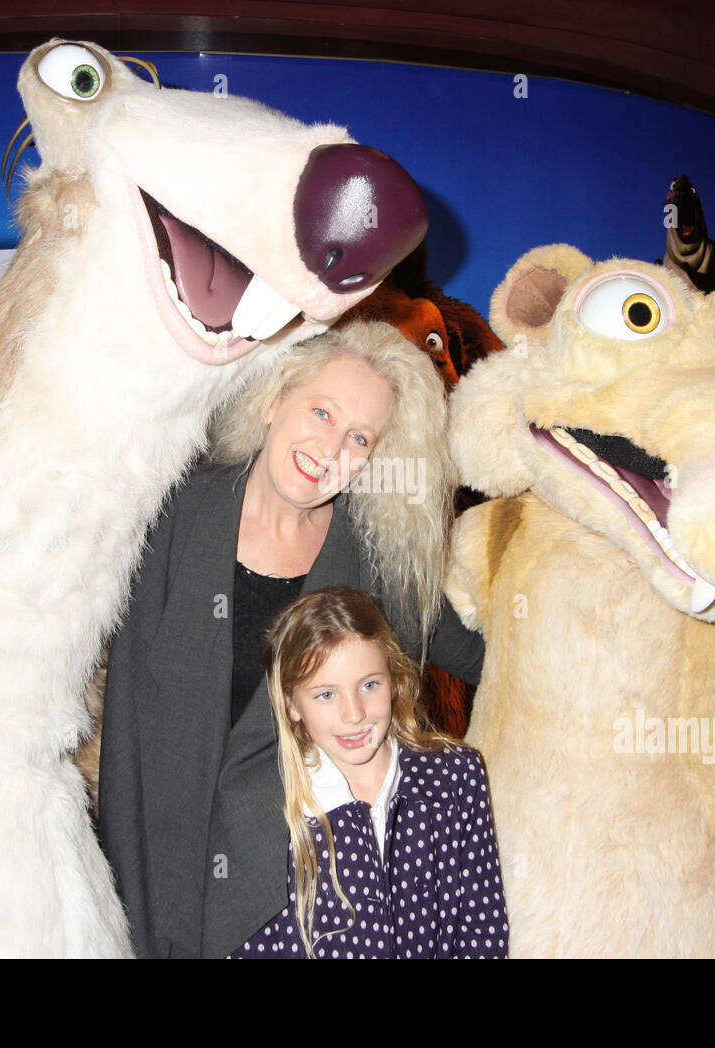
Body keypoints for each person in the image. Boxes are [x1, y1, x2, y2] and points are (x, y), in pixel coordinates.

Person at [97, 319, 485, 958]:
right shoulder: (165, 510)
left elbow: (478, 653)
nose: (332, 446)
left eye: (359, 437)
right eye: (322, 411)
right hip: (149, 875)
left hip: (288, 910)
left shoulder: (375, 559)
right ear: (274, 400)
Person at [231, 585, 507, 958]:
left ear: (394, 680)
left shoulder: (456, 777)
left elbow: (483, 931)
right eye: (326, 694)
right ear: (291, 703)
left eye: (369, 685)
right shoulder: (264, 808)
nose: (354, 714)